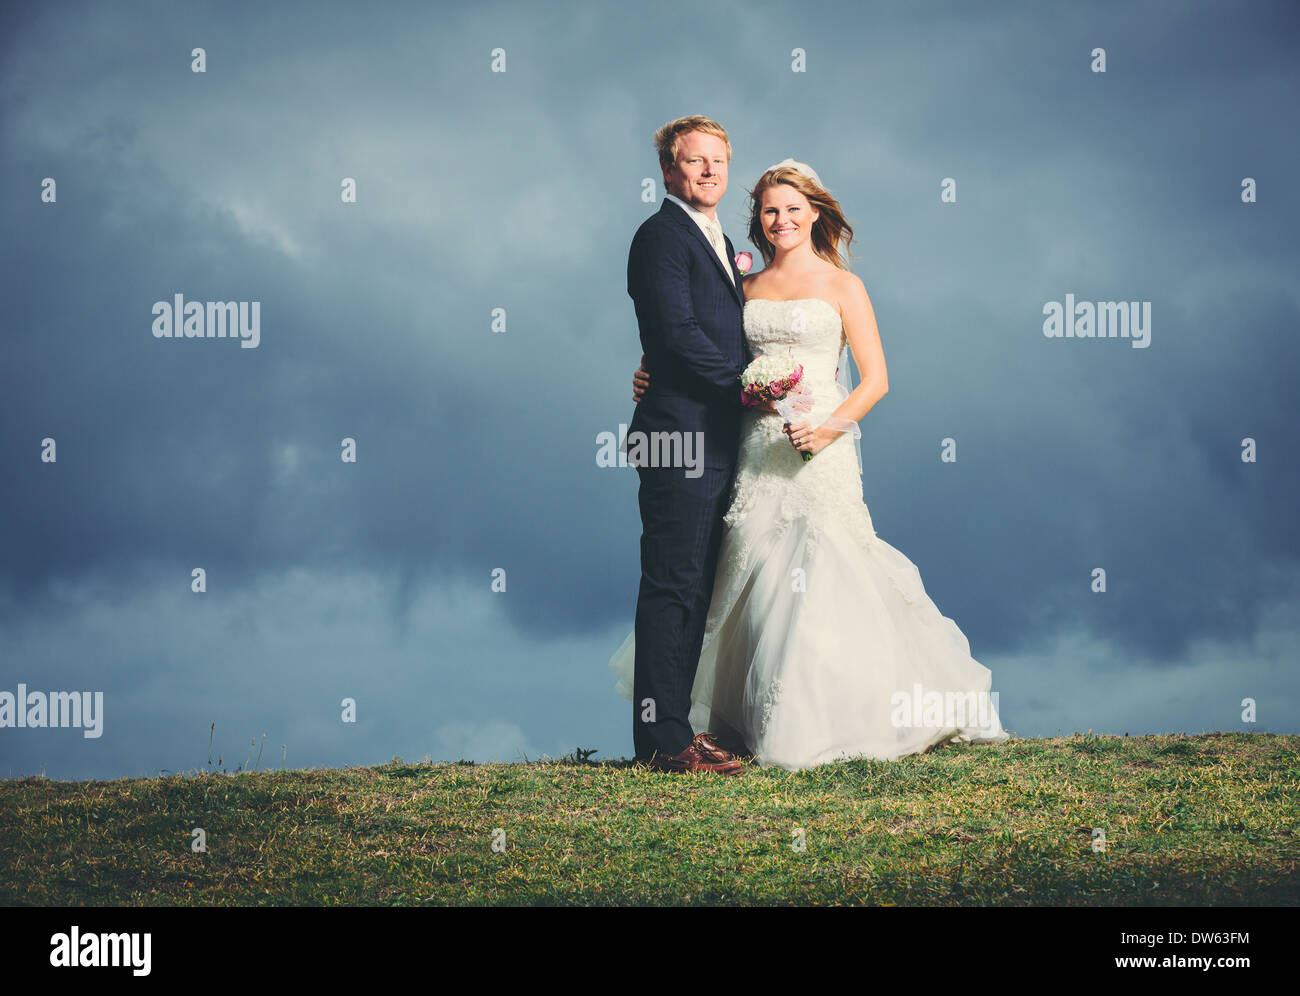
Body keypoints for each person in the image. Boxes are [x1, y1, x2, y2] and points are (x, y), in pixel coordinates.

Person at [610, 157, 1010, 770]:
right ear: (758, 220)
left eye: (793, 209)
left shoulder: (844, 286)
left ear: (816, 212)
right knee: (751, 565)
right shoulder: (743, 286)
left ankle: (838, 716)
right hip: (752, 442)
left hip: (819, 441)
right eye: (770, 210)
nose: (781, 220)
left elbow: (876, 381)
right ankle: (742, 719)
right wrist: (650, 371)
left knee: (826, 560)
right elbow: (692, 337)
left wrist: (826, 432)